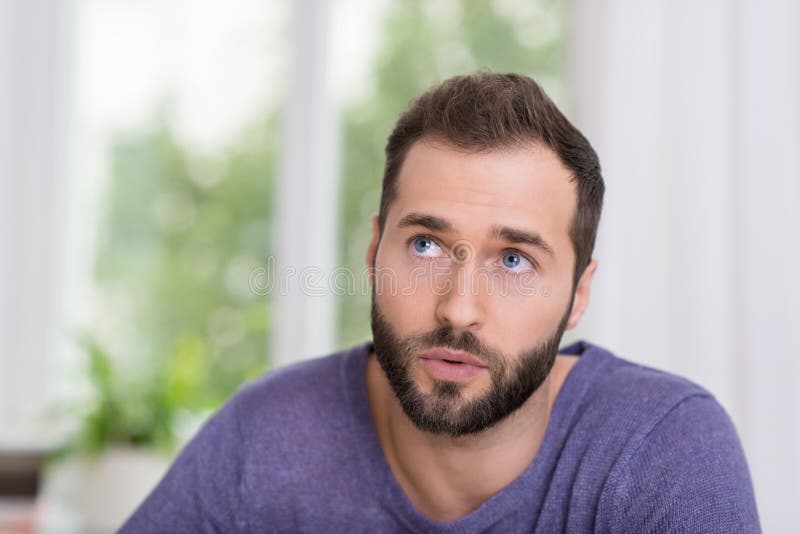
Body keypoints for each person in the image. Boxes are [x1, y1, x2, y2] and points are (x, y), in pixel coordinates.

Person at [121, 72, 760, 533]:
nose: (458, 309)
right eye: (426, 245)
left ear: (578, 295)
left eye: (514, 260)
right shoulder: (264, 436)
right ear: (374, 250)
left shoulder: (660, 450)